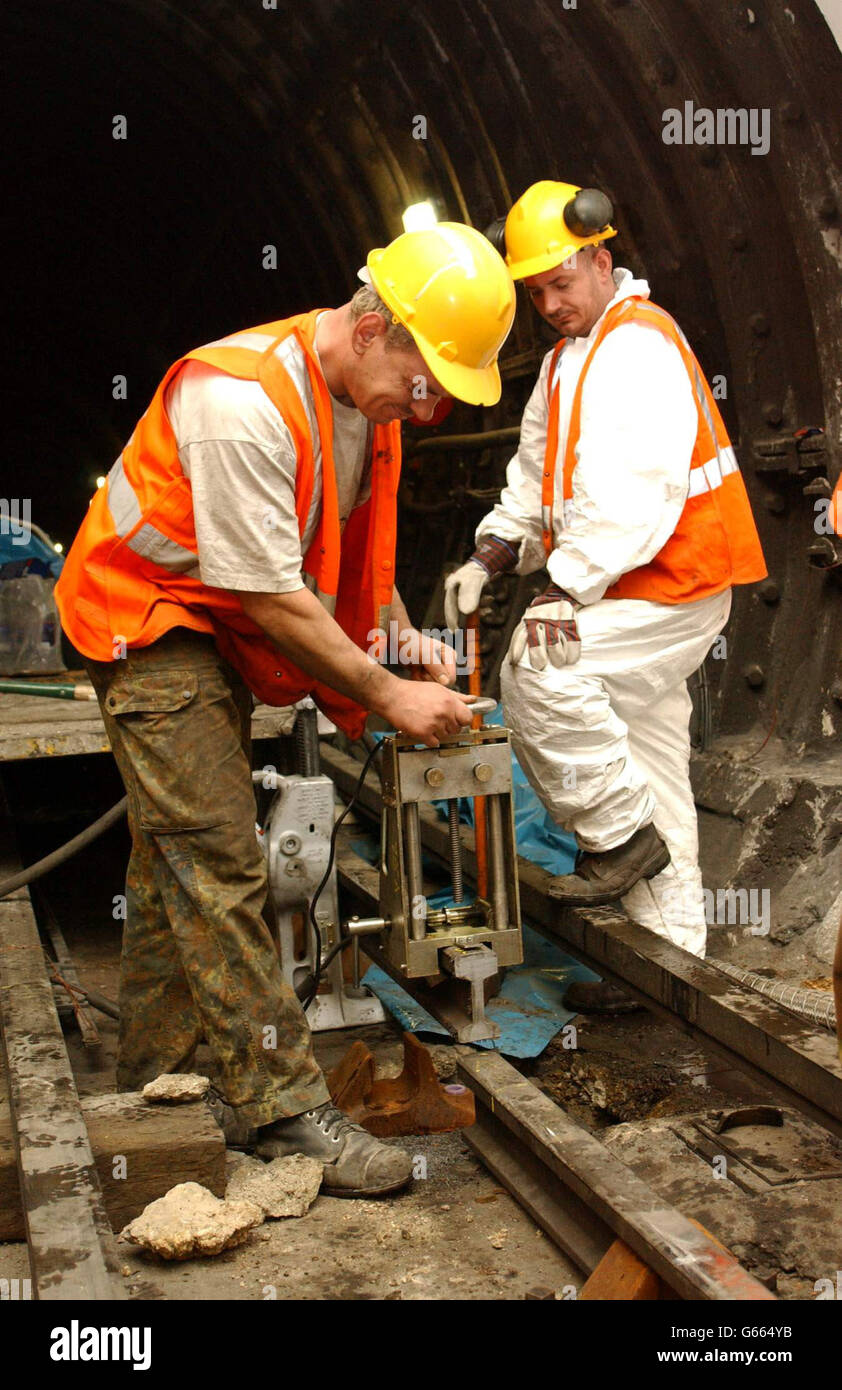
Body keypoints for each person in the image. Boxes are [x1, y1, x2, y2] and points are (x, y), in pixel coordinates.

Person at [55, 222, 516, 1193]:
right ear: (371, 325)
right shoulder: (241, 401)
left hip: (212, 624)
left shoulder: (367, 408)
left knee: (169, 862)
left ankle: (158, 1085)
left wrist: (397, 637)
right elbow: (269, 593)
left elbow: (346, 556)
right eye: (424, 379)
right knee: (220, 860)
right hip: (144, 617)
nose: (428, 408)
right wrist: (386, 694)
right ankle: (283, 1108)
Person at [445, 181, 766, 988]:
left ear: (602, 258)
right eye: (537, 291)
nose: (550, 302)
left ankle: (619, 839)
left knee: (538, 667)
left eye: (563, 282)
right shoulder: (564, 364)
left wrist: (560, 586)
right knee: (653, 764)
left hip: (673, 583)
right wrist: (489, 556)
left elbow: (627, 497)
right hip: (628, 591)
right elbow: (532, 483)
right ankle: (671, 969)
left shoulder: (636, 345)